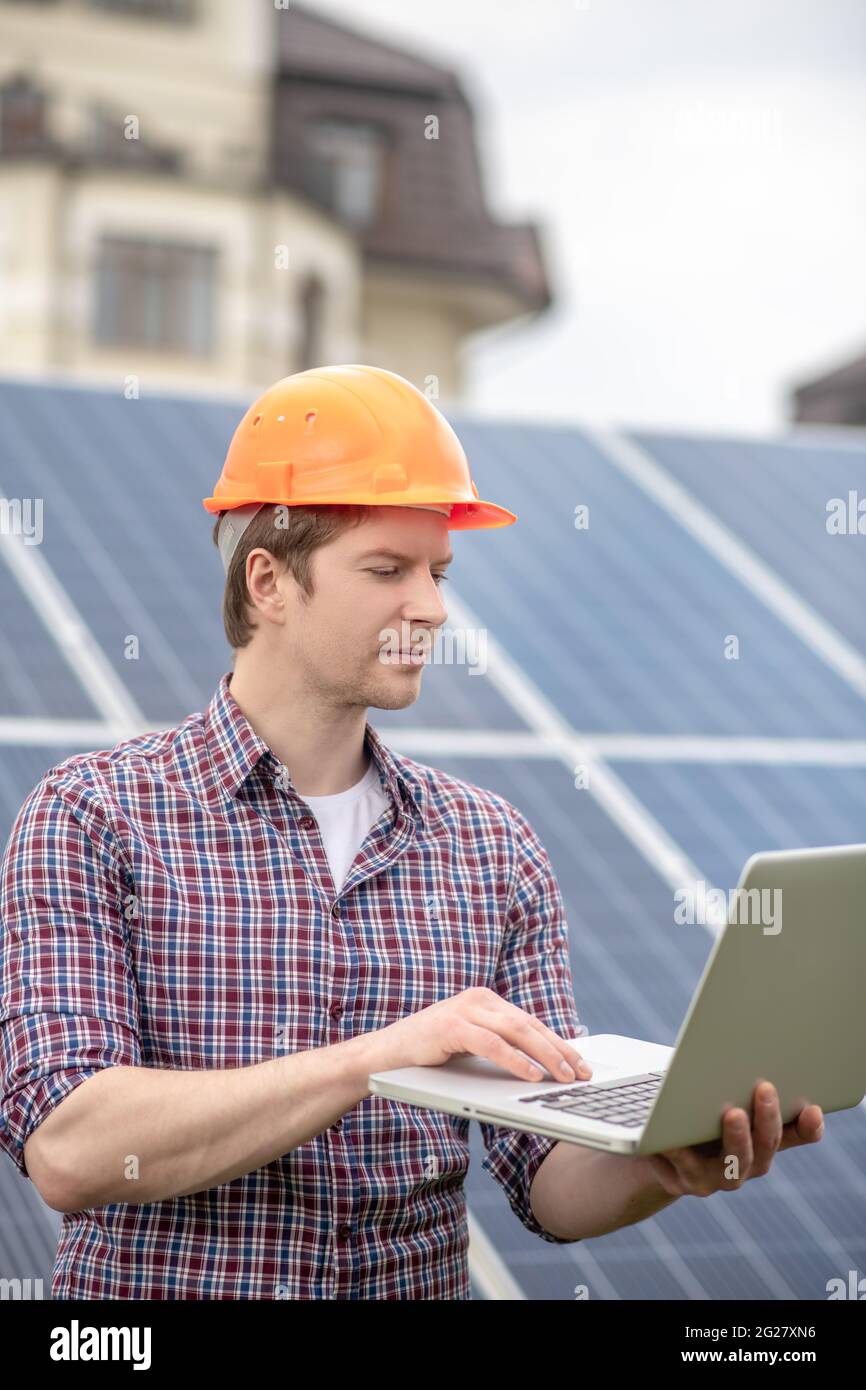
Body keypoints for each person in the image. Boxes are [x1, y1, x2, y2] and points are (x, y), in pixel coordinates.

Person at [0, 365, 823, 1300]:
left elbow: (545, 1183)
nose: (431, 608)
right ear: (268, 581)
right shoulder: (93, 817)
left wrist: (662, 1161)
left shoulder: (490, 847)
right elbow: (70, 1148)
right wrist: (378, 1058)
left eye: (438, 573)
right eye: (388, 571)